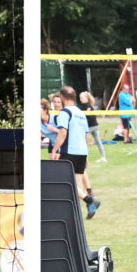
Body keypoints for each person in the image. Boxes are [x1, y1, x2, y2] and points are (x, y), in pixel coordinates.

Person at [46, 86, 100, 218]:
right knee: (77, 186)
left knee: (65, 182)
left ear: (63, 97)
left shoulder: (65, 112)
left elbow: (62, 133)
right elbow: (87, 135)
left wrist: (54, 149)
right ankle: (78, 214)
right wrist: (86, 154)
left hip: (69, 151)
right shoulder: (81, 113)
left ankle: (90, 200)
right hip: (81, 152)